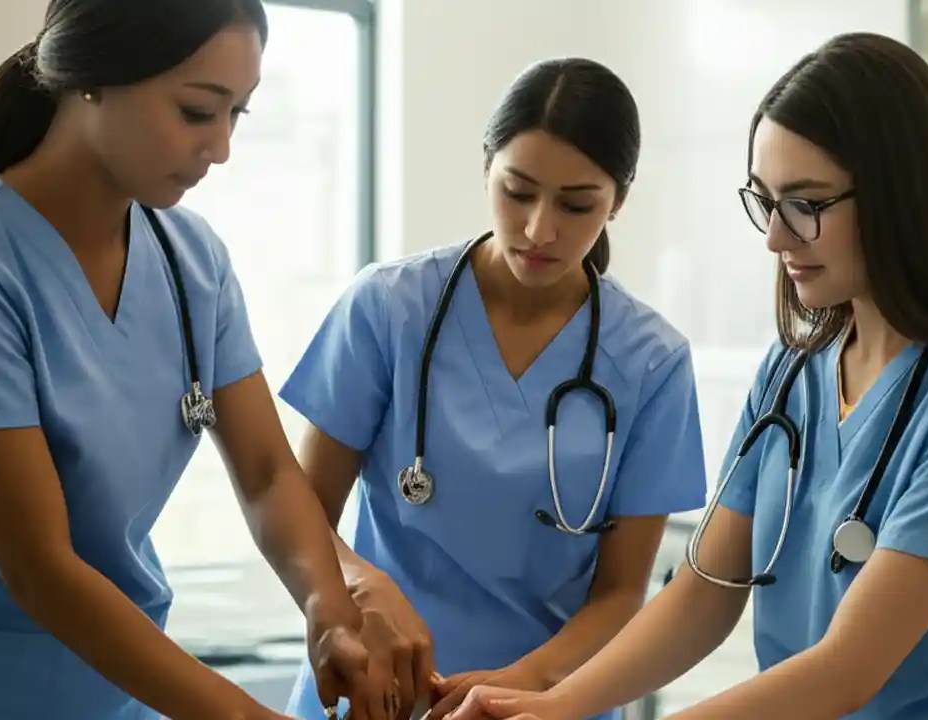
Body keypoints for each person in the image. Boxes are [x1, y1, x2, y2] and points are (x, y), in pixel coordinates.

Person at [451, 32, 928, 720]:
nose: (775, 238)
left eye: (806, 205)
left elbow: (845, 672)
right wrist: (553, 705)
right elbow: (704, 593)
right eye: (765, 201)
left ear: (899, 198)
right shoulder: (794, 371)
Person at [0, 2, 395, 719]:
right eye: (198, 112)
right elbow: (43, 570)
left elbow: (265, 473)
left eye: (238, 115)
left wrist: (327, 606)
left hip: (112, 685)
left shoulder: (193, 261)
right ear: (93, 79)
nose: (221, 147)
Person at [278, 57, 708, 720]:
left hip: (546, 703)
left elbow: (622, 593)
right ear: (486, 167)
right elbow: (298, 513)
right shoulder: (389, 309)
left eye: (577, 204)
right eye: (518, 190)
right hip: (373, 691)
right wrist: (362, 591)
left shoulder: (651, 362)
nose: (541, 229)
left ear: (618, 200)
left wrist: (523, 682)